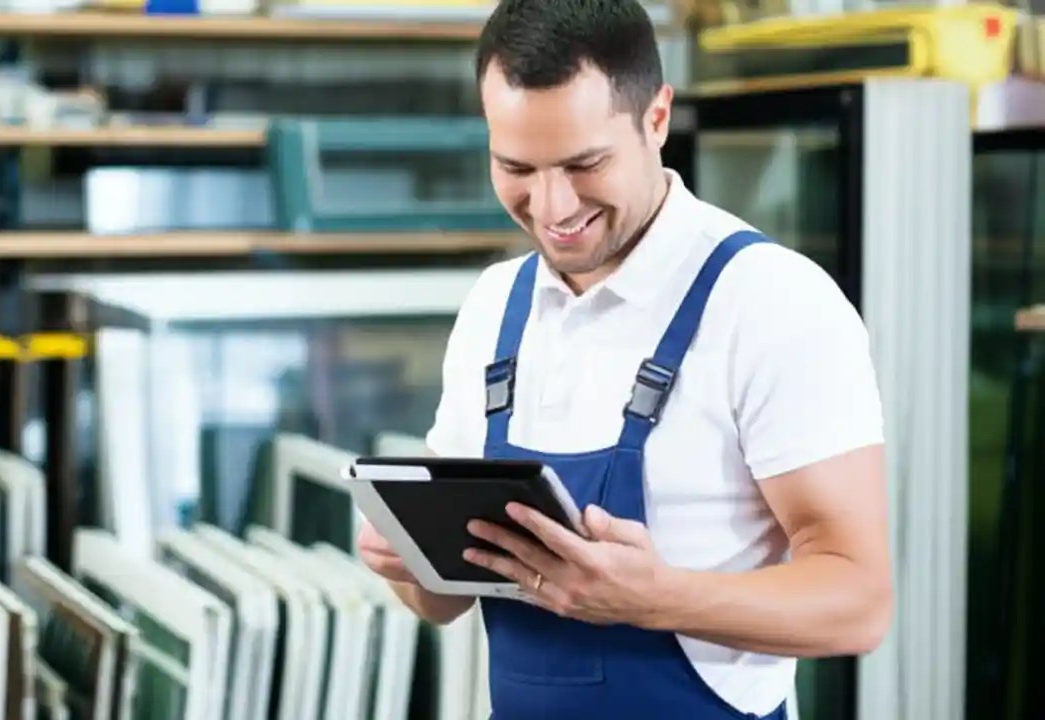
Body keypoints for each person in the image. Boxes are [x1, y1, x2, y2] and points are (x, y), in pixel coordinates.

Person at [355, 0, 893, 717]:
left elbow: (859, 601)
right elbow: (444, 601)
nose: (551, 206)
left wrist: (653, 598)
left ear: (657, 120)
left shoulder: (773, 302)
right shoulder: (493, 307)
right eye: (516, 167)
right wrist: (410, 563)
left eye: (585, 164)